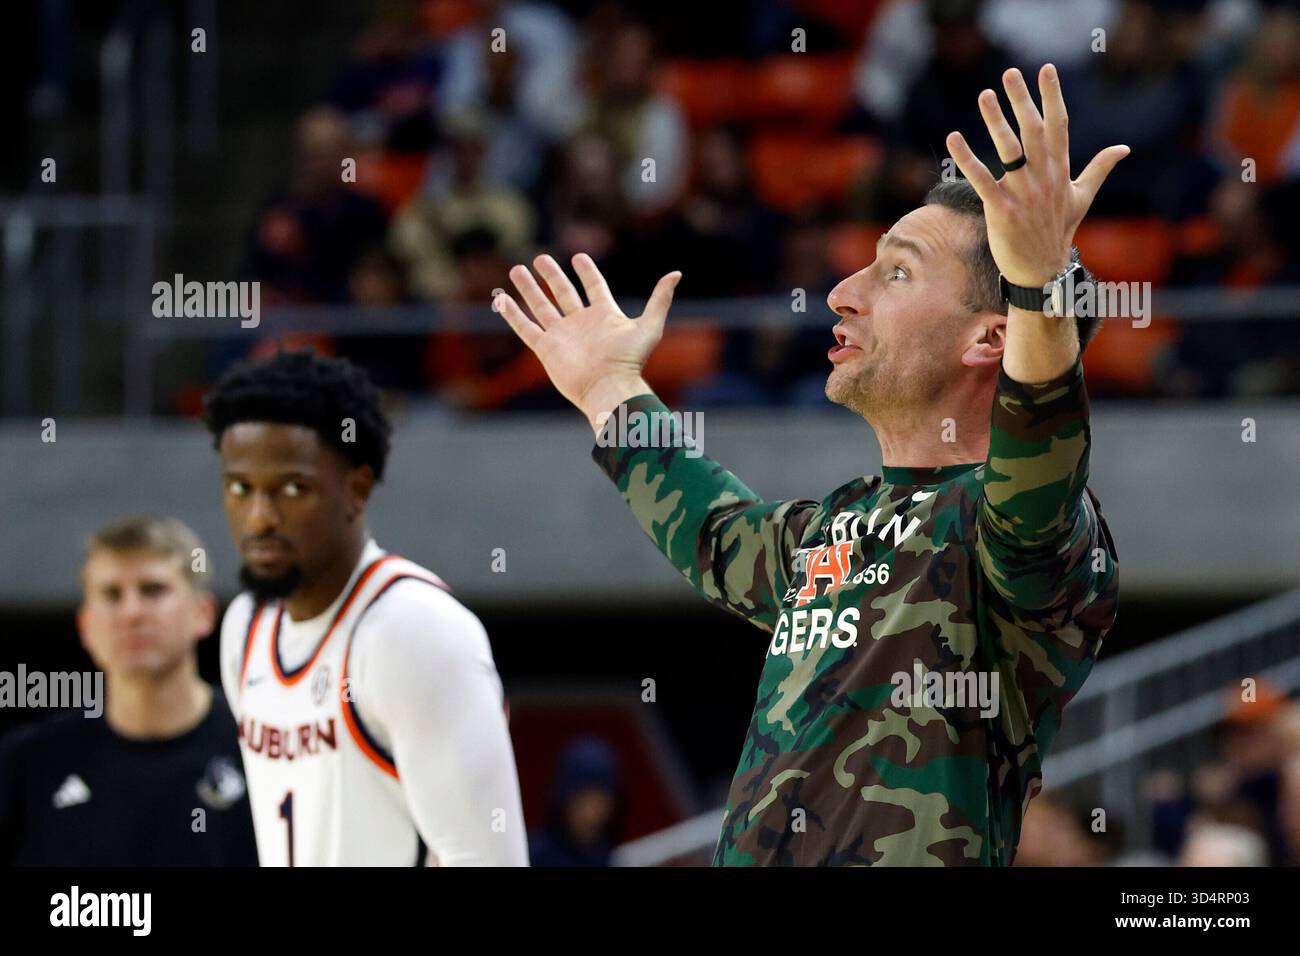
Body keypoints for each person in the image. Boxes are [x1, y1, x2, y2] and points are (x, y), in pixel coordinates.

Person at [495, 64, 1124, 865]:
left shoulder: (1020, 532)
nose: (841, 293)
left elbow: (1040, 453)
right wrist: (611, 390)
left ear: (990, 338)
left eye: (896, 271)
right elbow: (716, 534)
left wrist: (1039, 285)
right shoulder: (837, 524)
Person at [203, 350, 527, 865]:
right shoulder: (245, 625)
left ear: (356, 487)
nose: (259, 518)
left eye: (291, 488)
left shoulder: (413, 630)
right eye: (240, 488)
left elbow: (485, 858)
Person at [0, 516, 257, 865]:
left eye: (153, 590)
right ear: (86, 626)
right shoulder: (27, 764)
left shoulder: (261, 745)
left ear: (203, 613)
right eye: (112, 595)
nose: (132, 612)